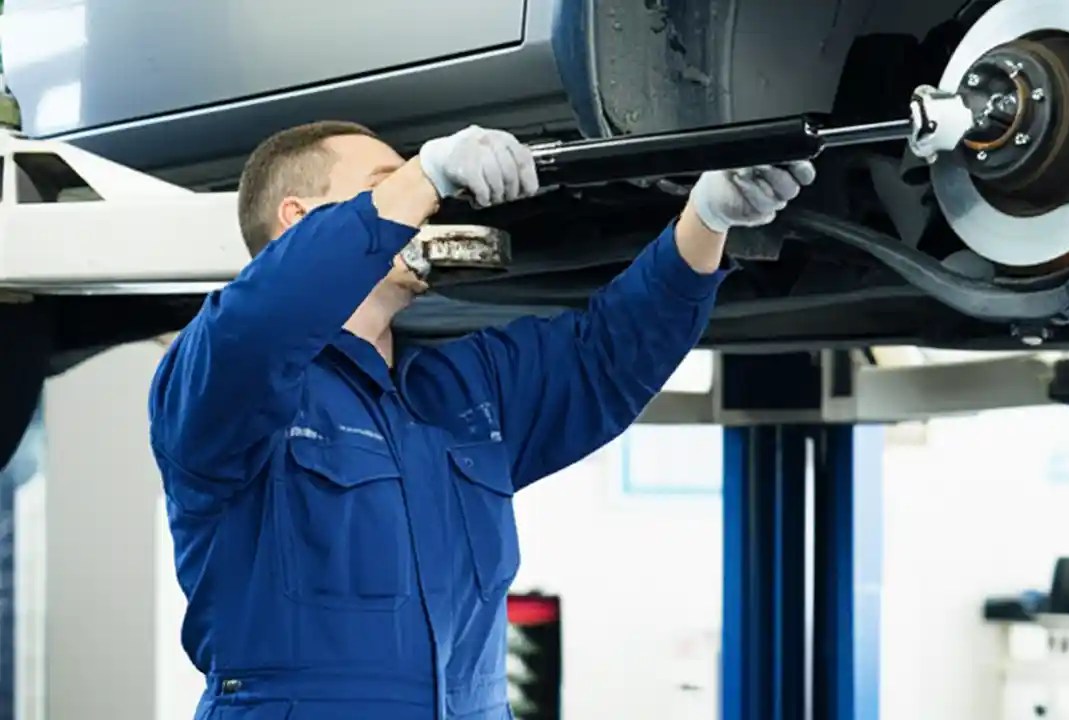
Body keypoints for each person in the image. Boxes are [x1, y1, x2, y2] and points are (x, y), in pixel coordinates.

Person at [148, 120, 815, 719]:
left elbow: (609, 356)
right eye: (390, 186)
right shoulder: (220, 386)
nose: (426, 208)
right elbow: (262, 320)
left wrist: (707, 215)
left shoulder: (461, 390)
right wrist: (427, 171)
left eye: (420, 190)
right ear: (298, 221)